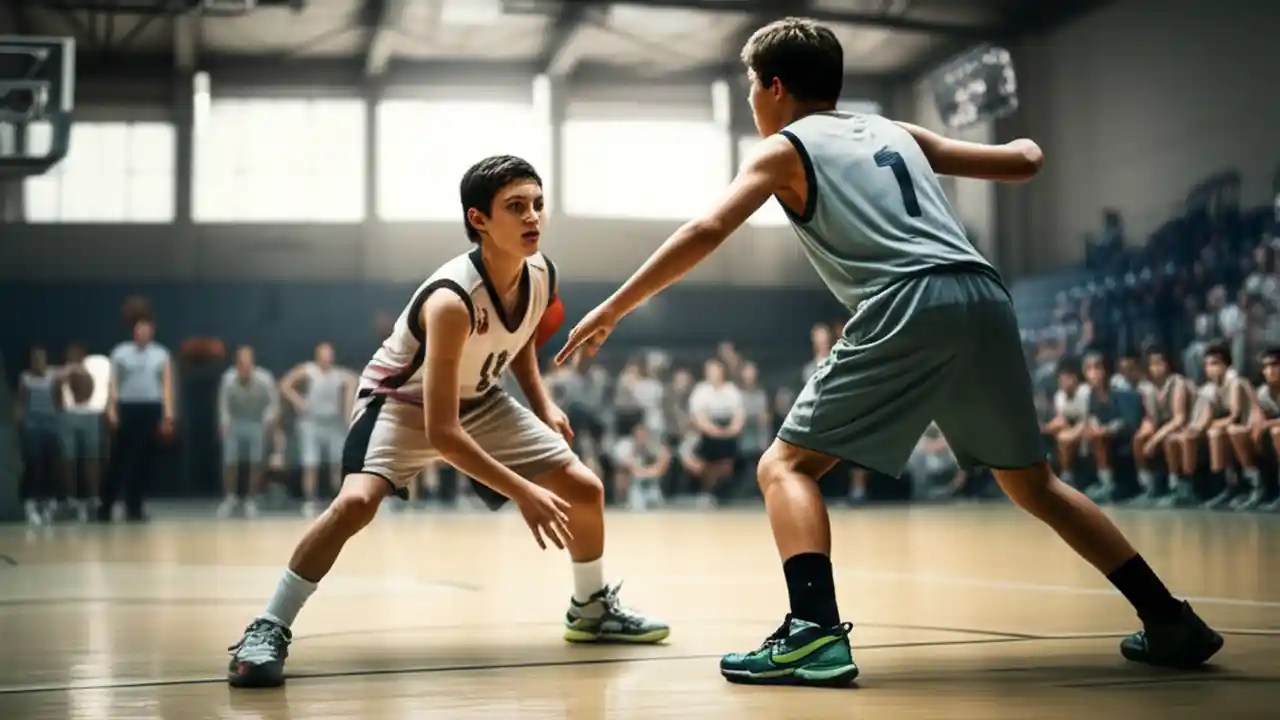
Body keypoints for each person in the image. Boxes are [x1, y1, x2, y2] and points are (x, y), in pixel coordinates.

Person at [555, 17, 1220, 687]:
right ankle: (1169, 618)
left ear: (775, 87)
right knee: (1035, 484)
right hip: (983, 296)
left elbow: (707, 228)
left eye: (752, 87)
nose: (753, 100)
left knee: (786, 465)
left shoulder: (782, 148)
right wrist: (1022, 138)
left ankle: (813, 634)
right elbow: (1023, 161)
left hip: (908, 299)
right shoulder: (895, 133)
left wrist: (615, 305)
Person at [226, 155, 666, 689]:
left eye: (538, 205)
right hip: (402, 405)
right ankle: (269, 625)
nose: (533, 218)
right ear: (479, 220)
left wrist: (542, 402)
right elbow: (442, 433)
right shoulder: (451, 300)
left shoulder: (541, 272)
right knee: (355, 503)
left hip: (481, 399)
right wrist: (523, 492)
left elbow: (522, 337)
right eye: (516, 207)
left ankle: (591, 610)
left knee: (584, 489)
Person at [105, 317, 173, 522]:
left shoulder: (161, 353)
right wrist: (112, 409)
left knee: (145, 461)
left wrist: (167, 415)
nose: (142, 333)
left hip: (151, 407)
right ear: (134, 331)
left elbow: (167, 385)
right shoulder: (120, 352)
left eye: (146, 330)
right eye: (139, 330)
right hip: (127, 407)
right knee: (120, 459)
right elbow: (113, 383)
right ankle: (106, 505)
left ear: (152, 332)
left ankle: (135, 506)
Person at [1180, 341, 1258, 510]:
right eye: (1207, 364)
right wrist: (1197, 428)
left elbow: (1235, 415)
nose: (1210, 368)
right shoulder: (1210, 388)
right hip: (1233, 430)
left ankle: (1254, 486)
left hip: (1251, 426)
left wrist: (1211, 425)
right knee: (1201, 434)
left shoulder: (1235, 381)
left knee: (1219, 432)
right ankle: (1216, 488)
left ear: (1226, 365)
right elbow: (1206, 417)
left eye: (1215, 363)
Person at [280, 342, 354, 517]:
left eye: (329, 355)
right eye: (323, 354)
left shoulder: (339, 374)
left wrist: (347, 408)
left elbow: (354, 381)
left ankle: (338, 498)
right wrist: (298, 401)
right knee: (310, 463)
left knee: (337, 463)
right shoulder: (308, 370)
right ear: (317, 356)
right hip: (311, 422)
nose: (326, 358)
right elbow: (285, 384)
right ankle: (310, 500)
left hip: (333, 422)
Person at [217, 346, 280, 518]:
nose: (244, 366)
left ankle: (251, 499)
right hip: (236, 422)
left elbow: (273, 403)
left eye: (247, 362)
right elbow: (223, 406)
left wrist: (268, 421)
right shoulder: (228, 379)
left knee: (255, 462)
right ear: (236, 364)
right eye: (241, 362)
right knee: (230, 462)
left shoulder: (264, 378)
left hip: (256, 423)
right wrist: (224, 423)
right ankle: (230, 498)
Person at [1133, 347, 1193, 507]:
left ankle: (1178, 487)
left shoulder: (1177, 382)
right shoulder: (1148, 386)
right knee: (1139, 437)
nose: (1156, 368)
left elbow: (1179, 419)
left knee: (1169, 439)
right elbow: (1150, 416)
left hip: (1185, 427)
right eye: (1152, 364)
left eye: (1159, 363)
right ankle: (1149, 485)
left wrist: (1155, 439)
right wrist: (1147, 427)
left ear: (1168, 364)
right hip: (1162, 427)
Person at [17, 345, 62, 525]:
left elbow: (58, 400)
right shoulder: (25, 378)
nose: (38, 361)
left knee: (50, 464)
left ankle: (49, 502)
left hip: (50, 425)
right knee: (33, 463)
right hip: (32, 425)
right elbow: (20, 402)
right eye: (35, 358)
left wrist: (58, 420)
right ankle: (30, 503)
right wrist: (20, 420)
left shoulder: (53, 377)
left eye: (41, 358)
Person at [1250, 347, 1280, 511]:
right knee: (1247, 432)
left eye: (1275, 365)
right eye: (1265, 367)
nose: (1270, 371)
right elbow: (1257, 418)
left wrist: (1268, 424)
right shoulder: (1262, 392)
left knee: (1277, 433)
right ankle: (1259, 486)